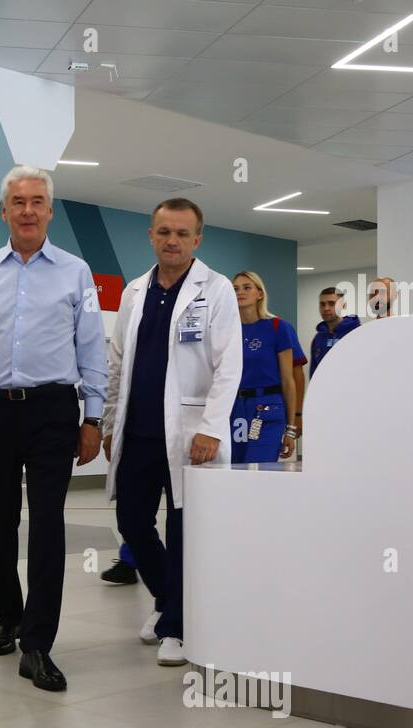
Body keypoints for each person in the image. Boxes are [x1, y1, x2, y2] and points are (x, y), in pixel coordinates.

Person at [0, 165, 106, 692]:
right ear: (4, 210)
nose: (29, 210)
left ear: (50, 211)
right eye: (19, 202)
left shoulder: (76, 272)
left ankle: (38, 643)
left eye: (38, 201)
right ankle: (8, 615)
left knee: (49, 523)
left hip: (55, 408)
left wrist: (93, 416)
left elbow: (92, 350)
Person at [104, 198, 241, 666]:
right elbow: (118, 361)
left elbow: (229, 366)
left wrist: (211, 427)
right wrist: (109, 423)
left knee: (184, 529)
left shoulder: (216, 289)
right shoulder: (135, 291)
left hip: (189, 434)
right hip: (139, 430)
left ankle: (177, 628)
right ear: (151, 235)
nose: (172, 241)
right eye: (164, 231)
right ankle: (169, 601)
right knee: (132, 522)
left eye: (183, 233)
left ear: (197, 239)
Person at [229, 271, 298, 465]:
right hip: (236, 409)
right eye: (235, 289)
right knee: (235, 468)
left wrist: (291, 428)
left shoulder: (278, 327)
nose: (240, 292)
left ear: (260, 294)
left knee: (258, 468)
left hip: (268, 408)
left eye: (246, 287)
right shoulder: (227, 330)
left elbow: (288, 380)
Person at [310, 286, 360, 373]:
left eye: (331, 303)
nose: (326, 308)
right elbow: (314, 372)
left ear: (343, 305)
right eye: (322, 304)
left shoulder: (356, 333)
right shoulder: (318, 338)